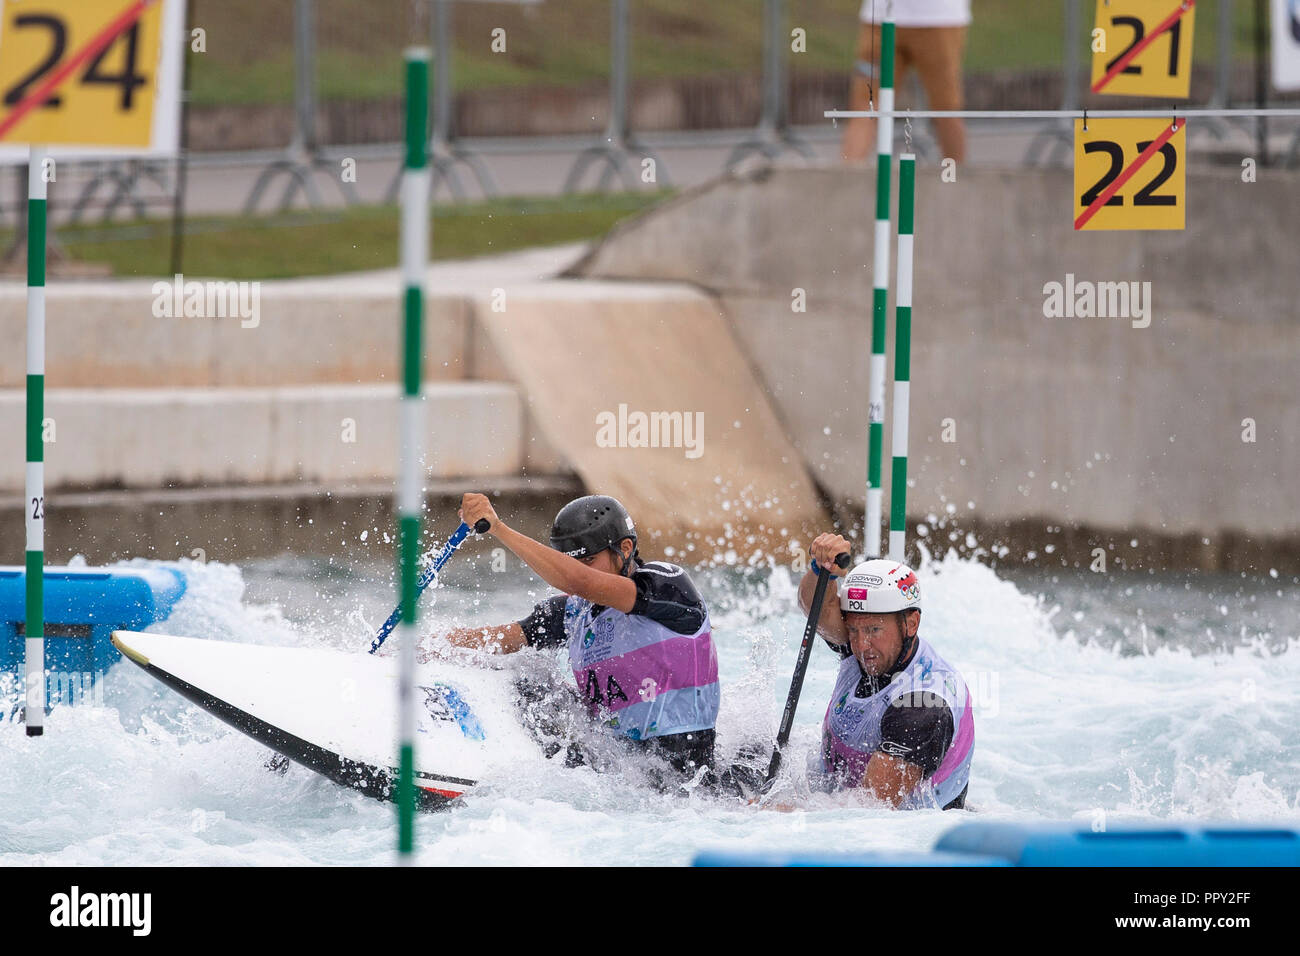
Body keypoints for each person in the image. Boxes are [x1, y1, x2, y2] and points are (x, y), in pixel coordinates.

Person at [434, 492, 720, 784]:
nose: (579, 569)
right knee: (529, 685)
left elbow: (577, 580)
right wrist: (429, 648)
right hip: (616, 771)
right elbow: (503, 638)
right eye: (572, 562)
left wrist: (498, 528)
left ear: (624, 548)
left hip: (687, 779)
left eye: (590, 560)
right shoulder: (575, 612)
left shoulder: (666, 585)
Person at [798, 533, 973, 809]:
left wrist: (779, 812)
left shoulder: (924, 708)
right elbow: (818, 611)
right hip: (835, 803)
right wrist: (822, 571)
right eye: (853, 630)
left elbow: (868, 809)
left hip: (903, 837)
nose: (860, 645)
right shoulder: (874, 648)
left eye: (873, 630)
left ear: (911, 624)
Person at [842, 0, 970, 165]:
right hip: (882, 18)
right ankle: (847, 182)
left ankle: (957, 181)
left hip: (939, 19)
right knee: (866, 108)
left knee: (946, 109)